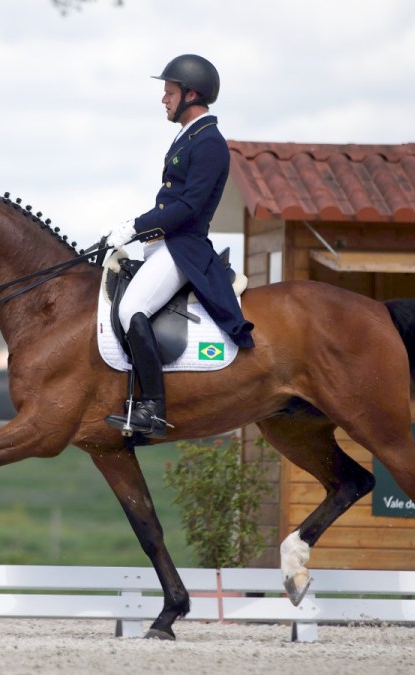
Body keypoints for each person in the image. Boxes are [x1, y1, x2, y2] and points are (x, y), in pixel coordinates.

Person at [100, 54, 255, 440]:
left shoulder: (209, 142)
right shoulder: (188, 136)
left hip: (183, 248)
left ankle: (153, 408)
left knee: (132, 309)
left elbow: (188, 207)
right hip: (163, 244)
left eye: (169, 93)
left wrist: (134, 226)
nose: (164, 99)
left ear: (191, 94)